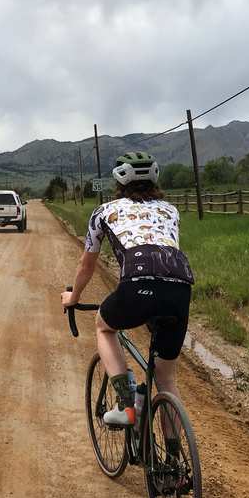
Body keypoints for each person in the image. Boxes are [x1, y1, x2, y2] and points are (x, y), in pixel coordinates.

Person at [61, 151, 194, 426]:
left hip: (138, 285)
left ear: (118, 180)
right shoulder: (171, 209)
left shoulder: (103, 212)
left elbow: (87, 266)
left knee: (104, 326)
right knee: (166, 379)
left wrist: (73, 297)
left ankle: (126, 404)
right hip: (180, 288)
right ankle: (172, 462)